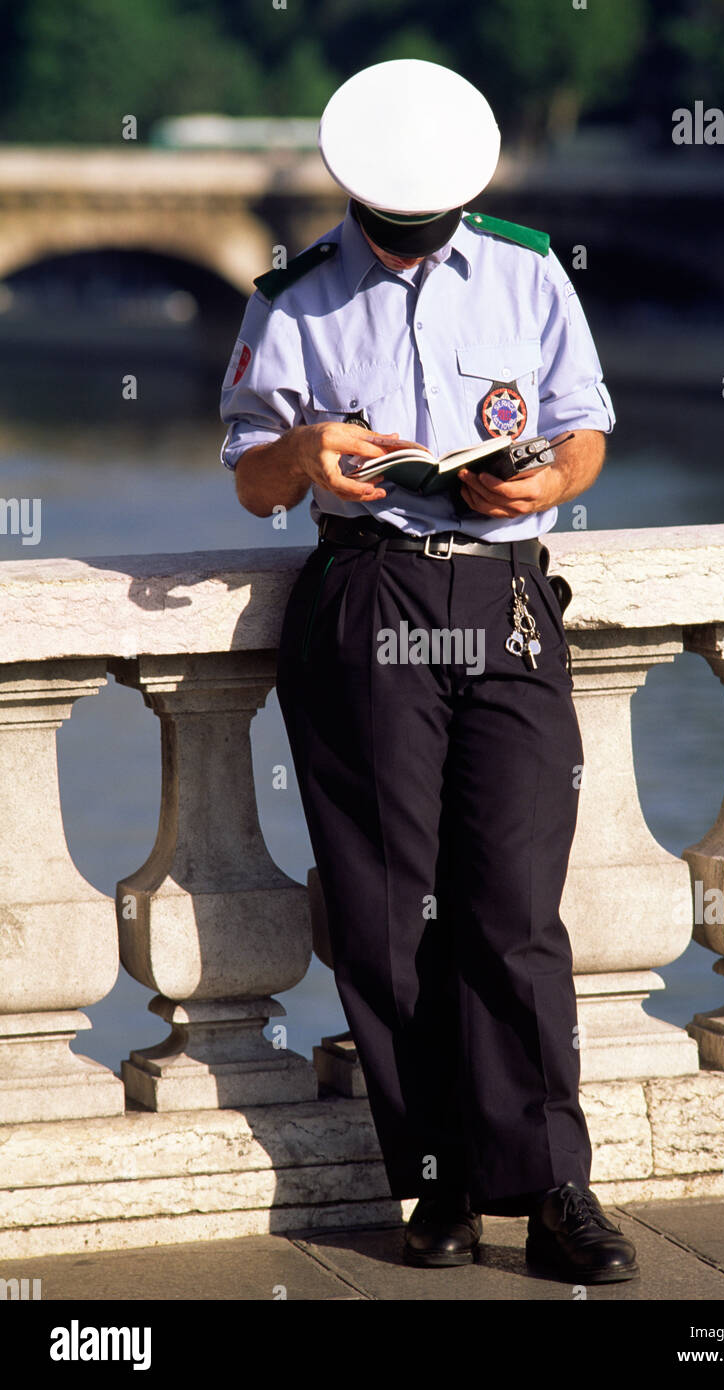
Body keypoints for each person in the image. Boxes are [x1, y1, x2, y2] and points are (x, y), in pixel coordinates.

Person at [220, 58, 638, 1284]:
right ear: (358, 200)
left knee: (512, 907)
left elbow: (588, 427)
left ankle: (552, 1184)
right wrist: (301, 451)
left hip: (502, 599)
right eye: (397, 225)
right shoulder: (292, 297)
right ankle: (439, 1180)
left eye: (434, 221)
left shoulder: (525, 270)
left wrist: (547, 480)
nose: (415, 241)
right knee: (384, 910)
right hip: (367, 594)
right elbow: (248, 476)